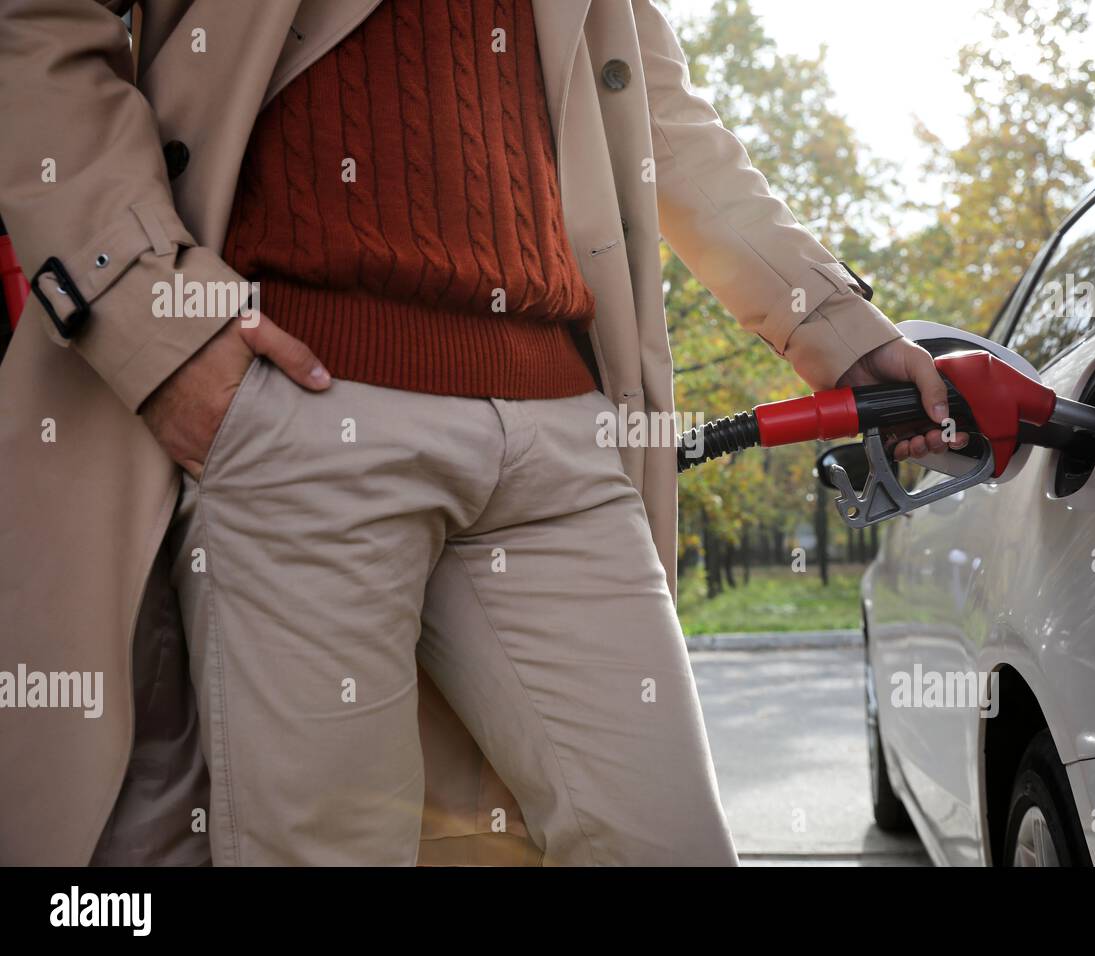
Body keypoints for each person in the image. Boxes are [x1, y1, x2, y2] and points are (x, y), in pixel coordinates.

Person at [0, 0, 962, 866]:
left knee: (668, 842)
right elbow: (36, 23)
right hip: (298, 408)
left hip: (559, 432)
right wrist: (156, 330)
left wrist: (837, 328)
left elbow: (660, 112)